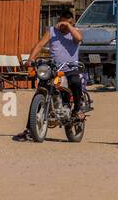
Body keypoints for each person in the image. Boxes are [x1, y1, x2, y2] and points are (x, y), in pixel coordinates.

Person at [12, 11, 88, 141]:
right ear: (58, 20)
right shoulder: (51, 31)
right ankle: (30, 130)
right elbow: (40, 45)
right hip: (53, 68)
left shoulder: (75, 32)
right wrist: (30, 59)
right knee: (39, 92)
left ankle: (77, 108)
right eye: (62, 22)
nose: (64, 26)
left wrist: (69, 26)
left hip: (71, 68)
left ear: (72, 23)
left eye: (68, 23)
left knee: (75, 81)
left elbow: (79, 39)